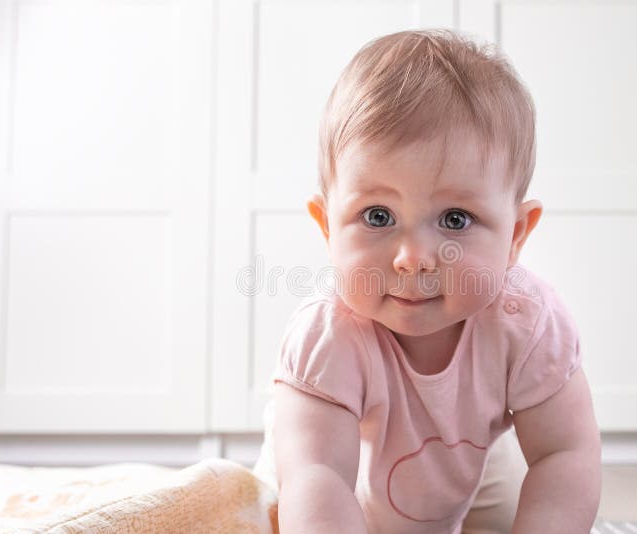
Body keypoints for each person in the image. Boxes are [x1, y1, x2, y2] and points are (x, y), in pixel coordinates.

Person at [253, 28, 601, 534]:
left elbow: (564, 453)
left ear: (515, 235)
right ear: (328, 227)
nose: (413, 260)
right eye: (377, 215)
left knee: (504, 516)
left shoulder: (527, 325)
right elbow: (317, 477)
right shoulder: (329, 338)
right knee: (261, 516)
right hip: (332, 482)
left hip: (467, 468)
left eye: (455, 219)